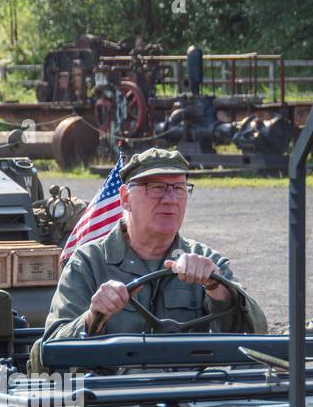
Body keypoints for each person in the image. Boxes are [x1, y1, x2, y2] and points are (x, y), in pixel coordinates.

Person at [37, 148, 267, 347]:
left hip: (191, 389)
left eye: (179, 188)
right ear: (125, 198)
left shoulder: (207, 262)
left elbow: (256, 335)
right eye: (156, 188)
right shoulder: (88, 264)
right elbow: (48, 352)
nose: (170, 199)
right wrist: (91, 319)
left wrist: (219, 289)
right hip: (113, 392)